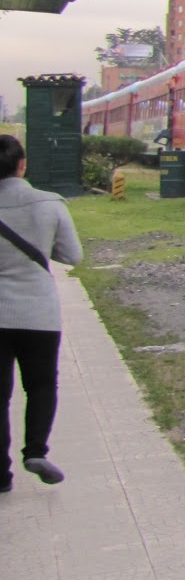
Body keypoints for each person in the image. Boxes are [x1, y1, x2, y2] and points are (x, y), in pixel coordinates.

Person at [0, 134, 83, 491]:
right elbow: (72, 256)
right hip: (39, 313)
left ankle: (1, 475)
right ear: (23, 165)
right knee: (41, 384)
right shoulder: (50, 203)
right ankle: (35, 451)